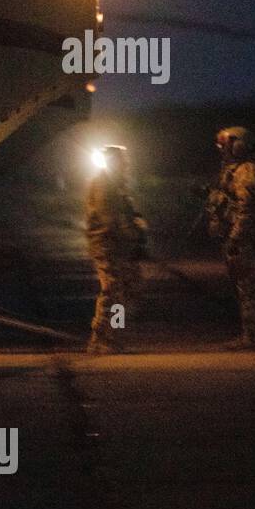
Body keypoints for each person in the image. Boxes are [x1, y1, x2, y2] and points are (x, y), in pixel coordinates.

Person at [205, 126, 255, 347]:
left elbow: (247, 207)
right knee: (242, 287)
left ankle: (253, 336)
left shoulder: (246, 170)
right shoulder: (232, 170)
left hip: (243, 239)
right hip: (235, 236)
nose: (222, 150)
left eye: (226, 145)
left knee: (247, 287)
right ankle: (251, 334)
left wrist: (236, 236)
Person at [85, 145, 146, 354]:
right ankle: (101, 339)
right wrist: (132, 235)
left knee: (128, 291)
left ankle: (115, 335)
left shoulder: (117, 185)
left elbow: (128, 214)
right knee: (112, 292)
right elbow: (109, 219)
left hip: (120, 247)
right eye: (121, 161)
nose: (125, 165)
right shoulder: (103, 184)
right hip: (107, 246)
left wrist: (137, 228)